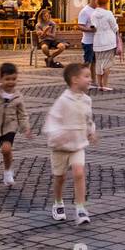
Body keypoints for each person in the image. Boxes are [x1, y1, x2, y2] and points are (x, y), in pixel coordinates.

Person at [45, 62, 97, 226]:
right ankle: (58, 202)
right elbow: (52, 120)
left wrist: (91, 131)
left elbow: (88, 118)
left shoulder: (87, 100)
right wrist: (57, 135)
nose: (90, 79)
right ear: (75, 80)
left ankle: (80, 208)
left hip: (78, 145)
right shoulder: (63, 101)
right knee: (60, 177)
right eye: (87, 76)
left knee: (79, 173)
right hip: (60, 147)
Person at [88, 0, 122, 92]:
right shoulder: (108, 13)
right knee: (107, 63)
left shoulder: (93, 14)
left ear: (97, 3)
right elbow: (115, 27)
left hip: (98, 41)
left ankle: (100, 84)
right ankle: (105, 84)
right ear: (106, 3)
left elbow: (93, 26)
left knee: (99, 63)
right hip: (109, 41)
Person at [77, 0, 97, 89]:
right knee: (87, 62)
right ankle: (82, 80)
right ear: (92, 0)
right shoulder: (85, 11)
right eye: (97, 0)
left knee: (94, 62)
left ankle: (93, 81)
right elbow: (80, 26)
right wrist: (90, 30)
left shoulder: (97, 10)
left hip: (96, 41)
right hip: (88, 41)